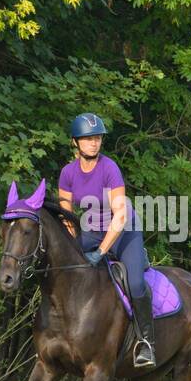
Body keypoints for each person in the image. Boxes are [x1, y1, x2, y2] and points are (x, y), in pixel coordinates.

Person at [57, 113, 156, 367]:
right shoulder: (68, 173)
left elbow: (120, 215)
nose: (94, 143)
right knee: (66, 269)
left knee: (135, 284)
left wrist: (101, 252)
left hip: (124, 230)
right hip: (91, 229)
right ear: (75, 142)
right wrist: (73, 241)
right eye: (88, 139)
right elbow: (67, 215)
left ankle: (146, 342)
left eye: (98, 138)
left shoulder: (109, 168)